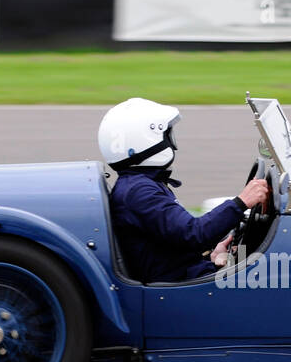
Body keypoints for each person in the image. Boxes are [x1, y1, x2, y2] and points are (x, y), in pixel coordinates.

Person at [100, 98, 269, 283]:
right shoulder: (140, 192)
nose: (172, 143)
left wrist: (210, 255)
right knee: (270, 277)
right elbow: (193, 234)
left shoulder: (138, 185)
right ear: (146, 140)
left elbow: (175, 240)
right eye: (167, 135)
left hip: (184, 273)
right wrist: (241, 202)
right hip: (180, 285)